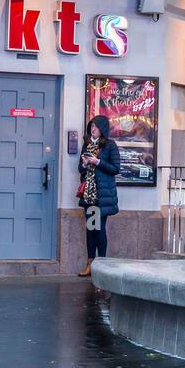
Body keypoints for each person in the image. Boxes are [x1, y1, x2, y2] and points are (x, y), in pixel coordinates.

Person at [77, 114, 121, 278]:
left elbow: (115, 168)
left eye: (94, 127)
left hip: (101, 196)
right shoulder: (87, 145)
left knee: (99, 229)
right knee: (91, 229)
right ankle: (90, 263)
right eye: (91, 127)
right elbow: (80, 170)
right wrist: (84, 164)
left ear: (102, 129)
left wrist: (98, 162)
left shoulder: (110, 145)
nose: (92, 130)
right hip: (88, 195)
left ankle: (101, 266)